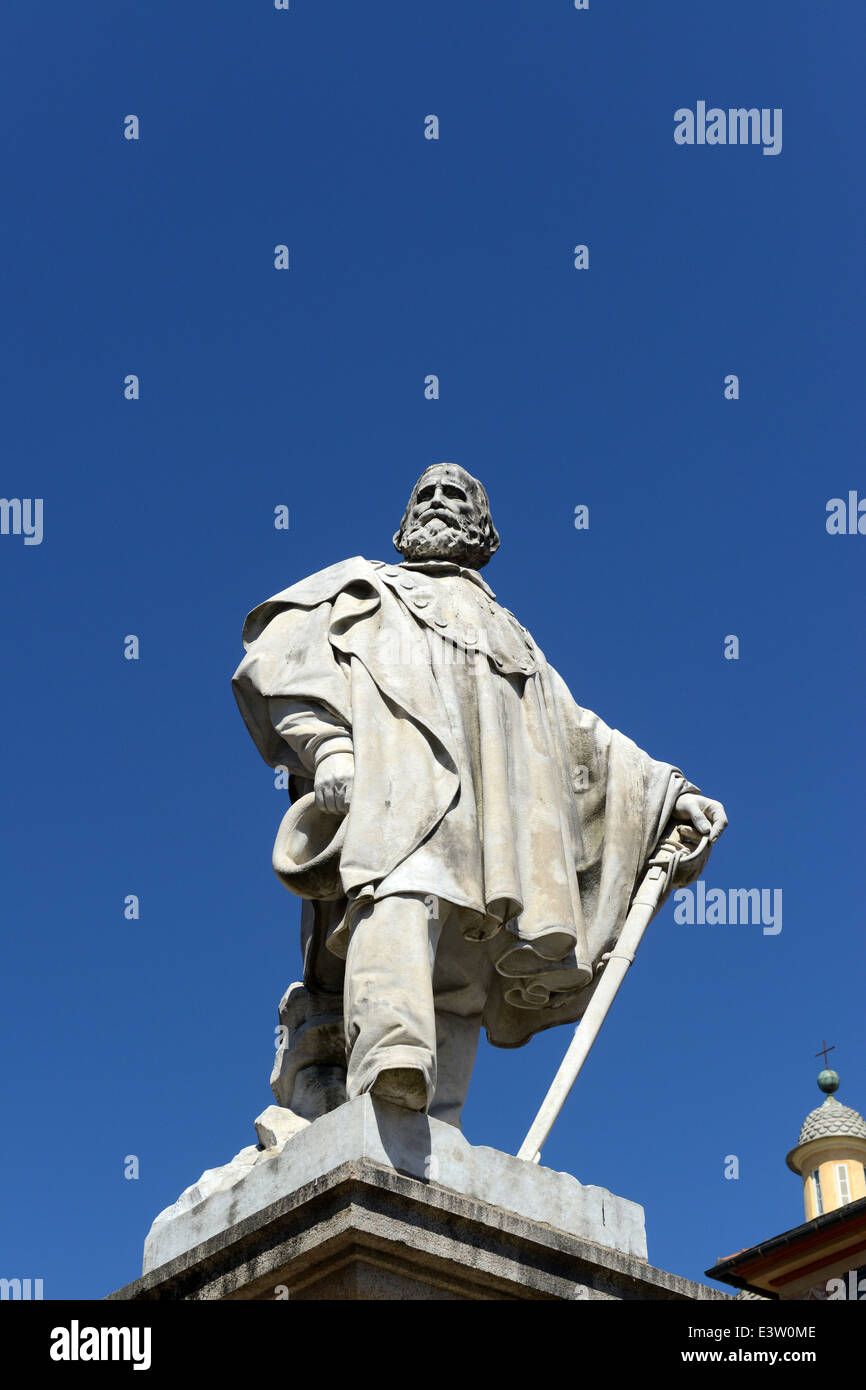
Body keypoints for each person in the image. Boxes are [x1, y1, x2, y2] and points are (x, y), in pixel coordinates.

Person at [232, 463, 726, 1129]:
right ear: (405, 519)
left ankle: (436, 1121)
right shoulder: (363, 587)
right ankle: (388, 1064)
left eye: (456, 495)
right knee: (395, 897)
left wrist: (670, 795)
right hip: (398, 791)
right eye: (425, 493)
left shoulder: (511, 633)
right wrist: (330, 748)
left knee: (464, 963)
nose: (438, 501)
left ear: (483, 528)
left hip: (489, 822)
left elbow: (579, 735)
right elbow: (285, 663)